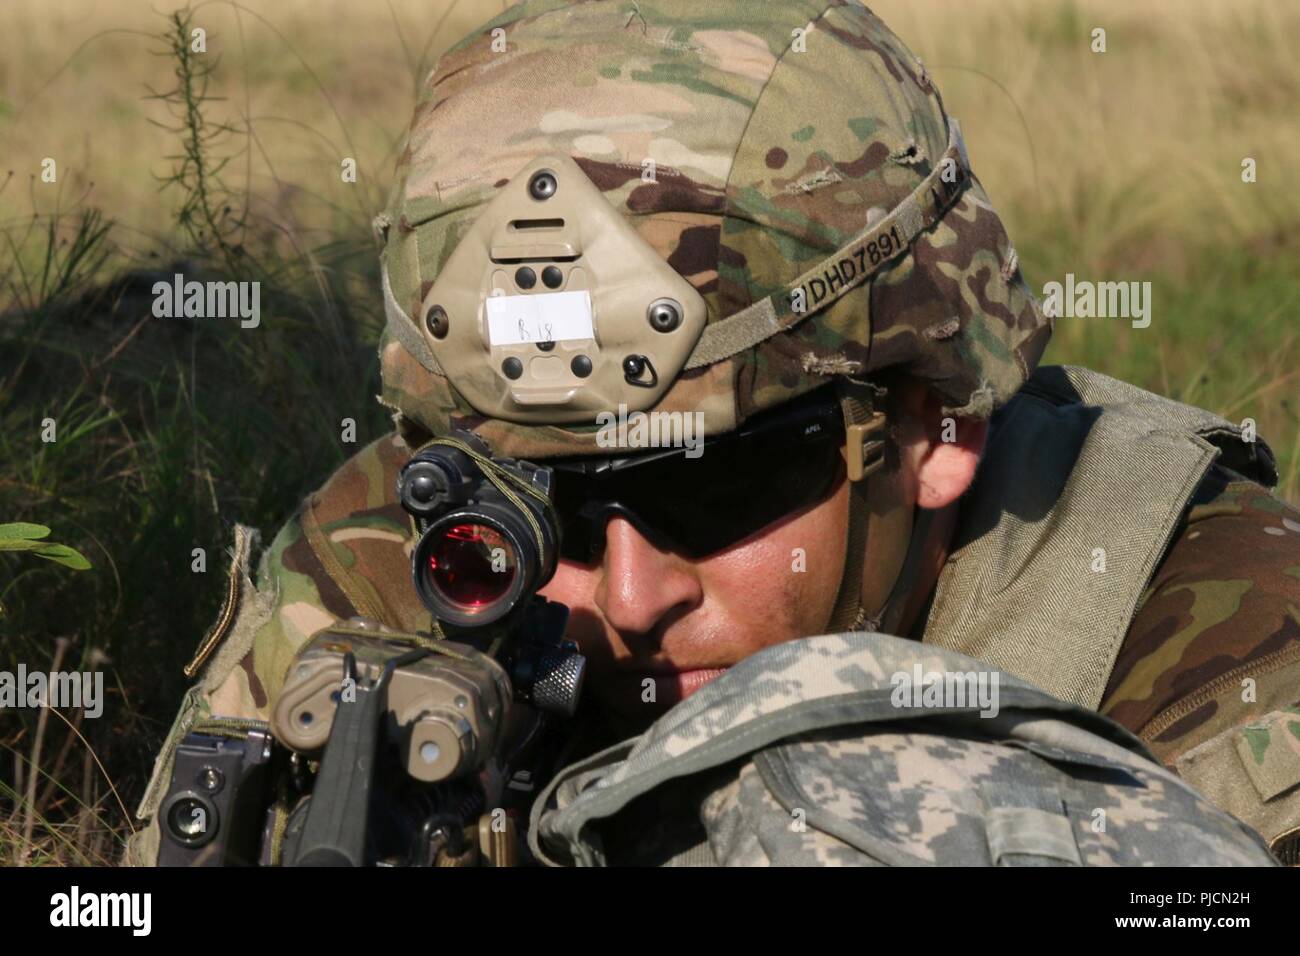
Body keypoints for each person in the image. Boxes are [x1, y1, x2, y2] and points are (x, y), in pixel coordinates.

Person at [127, 0, 1300, 865]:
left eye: (711, 489)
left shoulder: (1221, 641)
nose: (629, 596)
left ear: (932, 424)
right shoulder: (411, 561)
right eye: (552, 506)